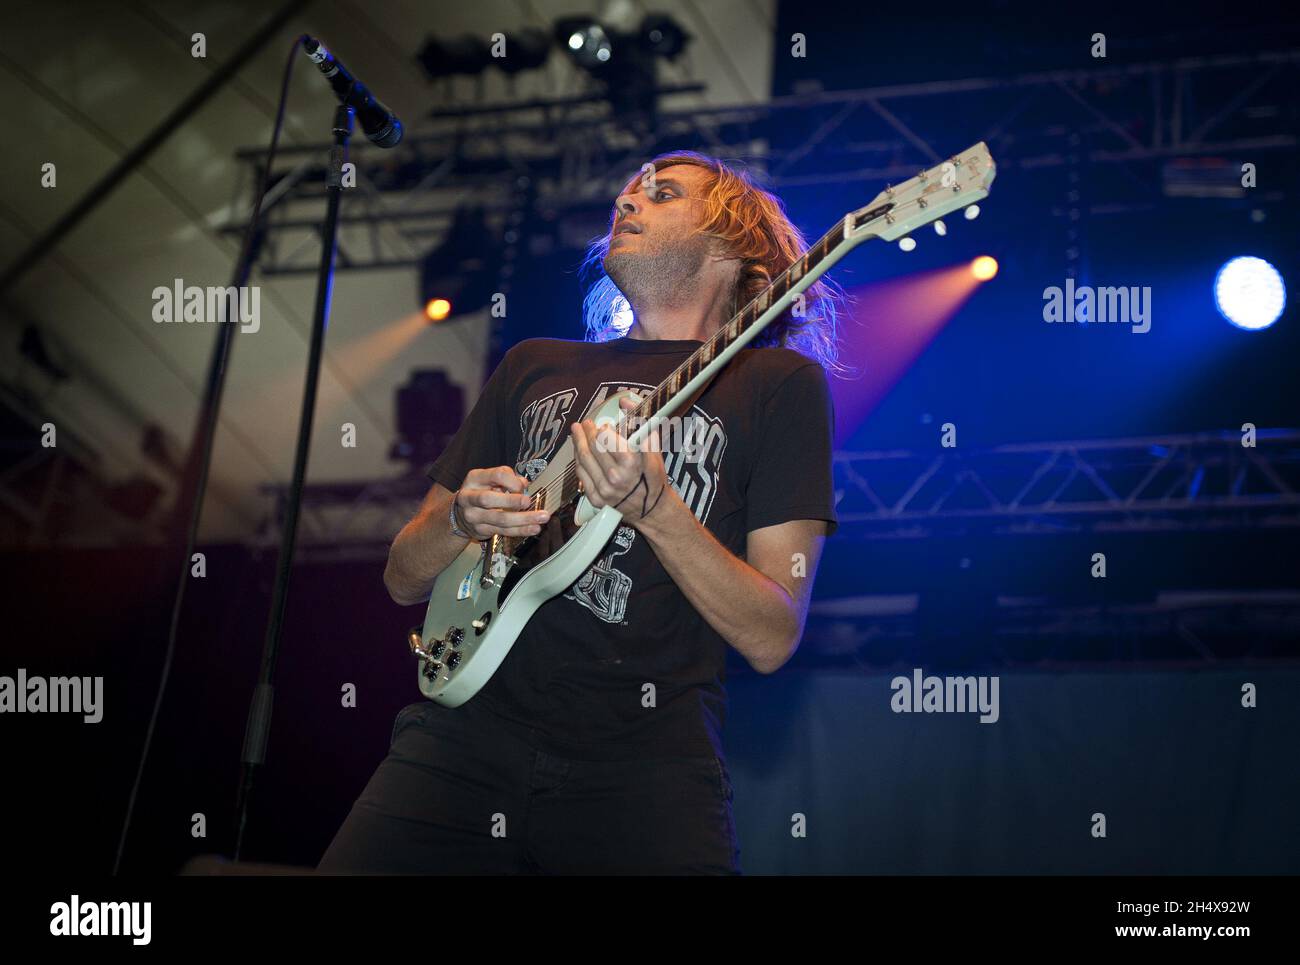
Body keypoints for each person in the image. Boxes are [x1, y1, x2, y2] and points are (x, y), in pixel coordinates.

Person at [318, 150, 843, 874]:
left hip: (650, 764)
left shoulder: (779, 386)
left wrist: (656, 508)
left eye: (662, 194)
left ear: (731, 246)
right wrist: (461, 522)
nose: (627, 204)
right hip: (463, 740)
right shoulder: (534, 364)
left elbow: (772, 633)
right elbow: (402, 577)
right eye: (626, 196)